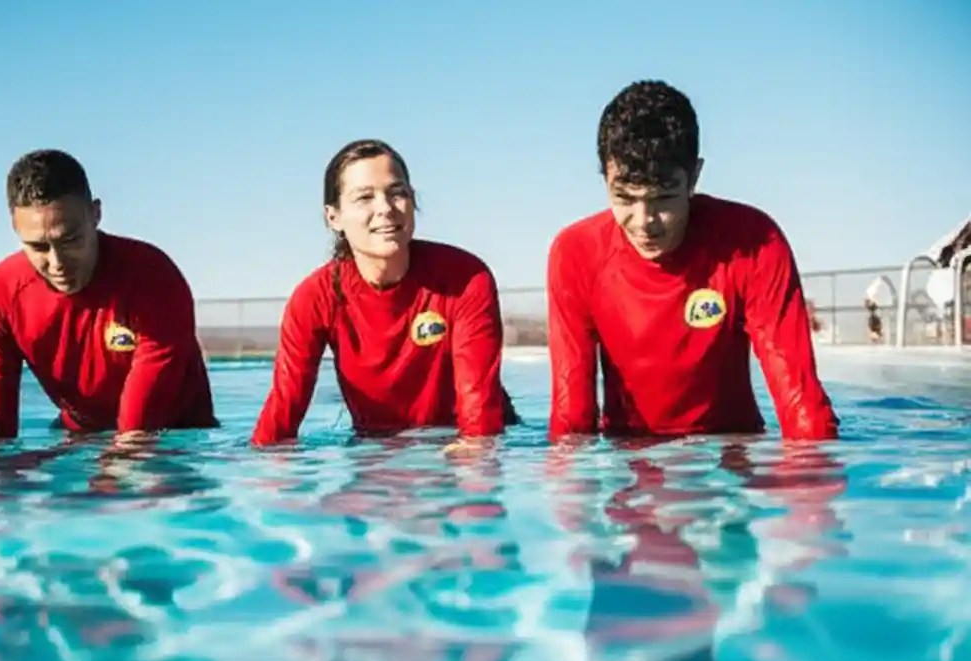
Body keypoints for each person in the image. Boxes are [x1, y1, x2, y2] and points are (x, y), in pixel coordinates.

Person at [547, 80, 839, 441]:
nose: (644, 222)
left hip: (730, 448)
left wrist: (813, 487)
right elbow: (570, 419)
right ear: (603, 176)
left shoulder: (752, 242)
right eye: (623, 197)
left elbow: (802, 404)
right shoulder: (575, 253)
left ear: (694, 176)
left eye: (664, 199)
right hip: (627, 454)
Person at [251, 138, 518, 448]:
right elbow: (281, 414)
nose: (386, 208)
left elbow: (480, 425)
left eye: (397, 193)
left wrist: (475, 459)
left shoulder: (465, 278)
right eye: (365, 197)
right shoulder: (314, 297)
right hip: (373, 444)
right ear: (333, 217)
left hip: (462, 438)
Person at [0, 149, 217, 442]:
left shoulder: (152, 276)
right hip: (80, 436)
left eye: (71, 240)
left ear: (96, 213)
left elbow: (137, 435)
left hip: (176, 435)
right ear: (15, 228)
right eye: (38, 247)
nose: (57, 263)